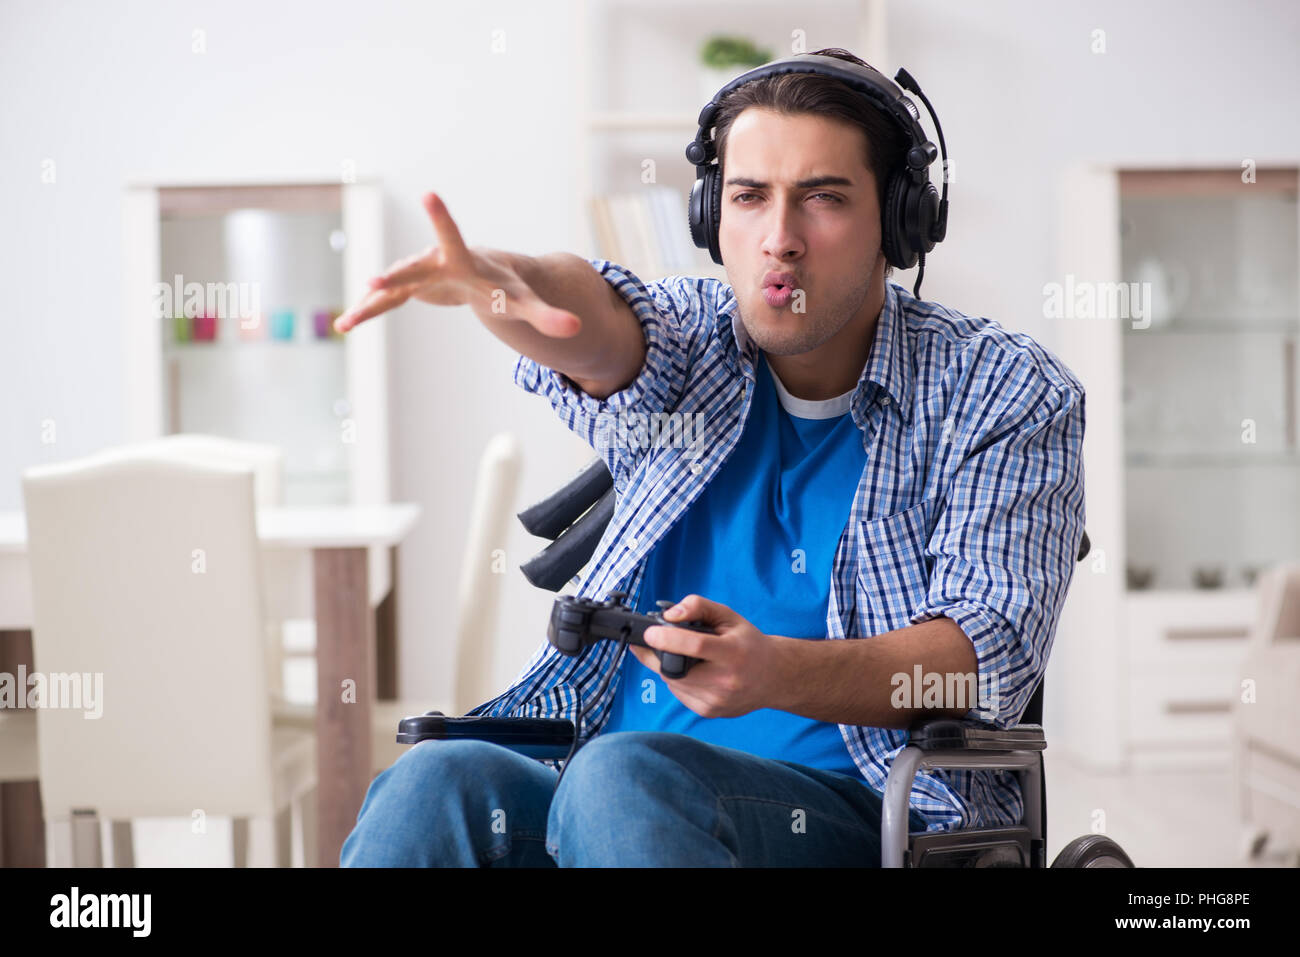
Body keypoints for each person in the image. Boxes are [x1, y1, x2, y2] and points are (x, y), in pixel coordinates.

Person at [336, 48, 1086, 867]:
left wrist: (775, 672)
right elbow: (603, 322)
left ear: (899, 224)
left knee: (622, 779)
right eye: (749, 197)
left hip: (864, 818)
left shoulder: (1003, 389)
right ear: (710, 218)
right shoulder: (697, 345)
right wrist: (504, 282)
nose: (781, 239)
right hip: (605, 798)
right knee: (433, 780)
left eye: (824, 198)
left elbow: (978, 669)